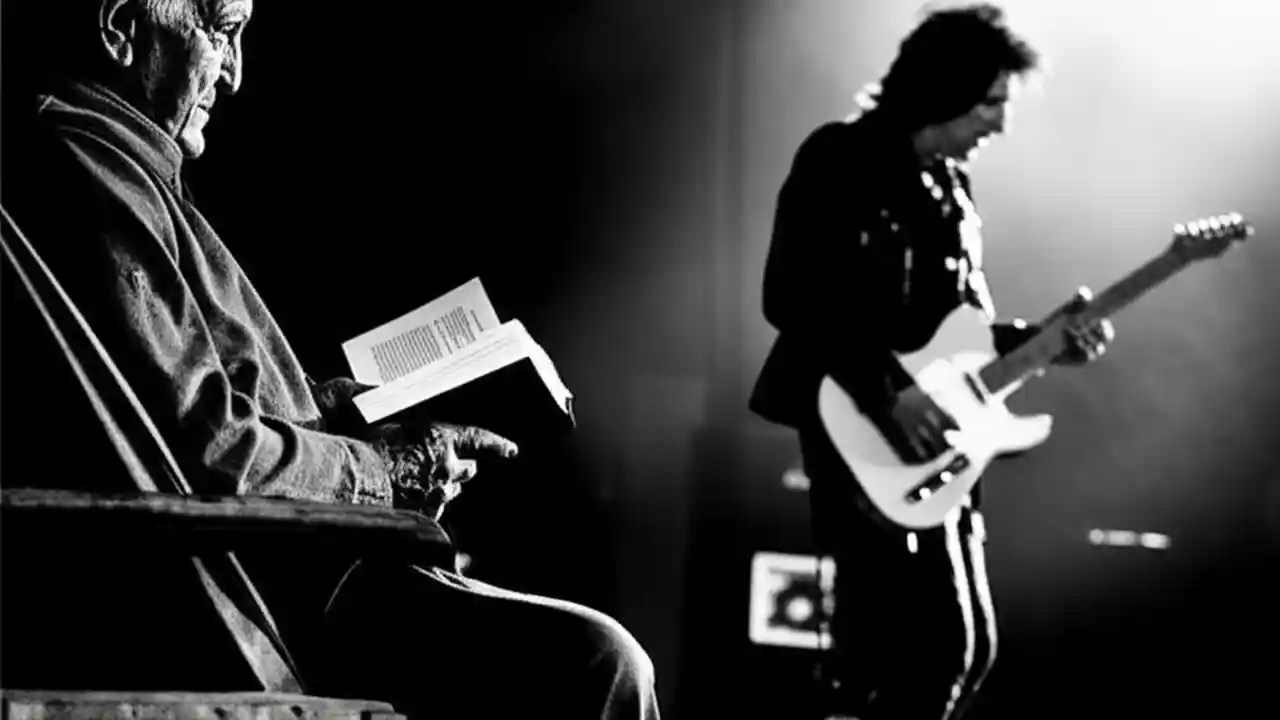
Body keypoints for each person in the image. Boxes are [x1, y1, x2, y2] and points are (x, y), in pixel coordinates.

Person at [0, 1, 659, 718]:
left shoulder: (127, 168)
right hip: (276, 590)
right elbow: (219, 449)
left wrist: (349, 409)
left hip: (299, 565)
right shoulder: (89, 167)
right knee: (602, 662)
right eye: (221, 33)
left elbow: (213, 402)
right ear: (122, 29)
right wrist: (394, 469)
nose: (235, 74)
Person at [749, 5, 1114, 719]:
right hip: (861, 429)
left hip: (940, 440)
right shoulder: (841, 158)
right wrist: (887, 391)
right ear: (940, 89)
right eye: (989, 104)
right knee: (912, 654)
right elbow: (791, 294)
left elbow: (960, 337)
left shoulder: (952, 192)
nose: (999, 125)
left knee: (966, 652)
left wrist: (1045, 340)